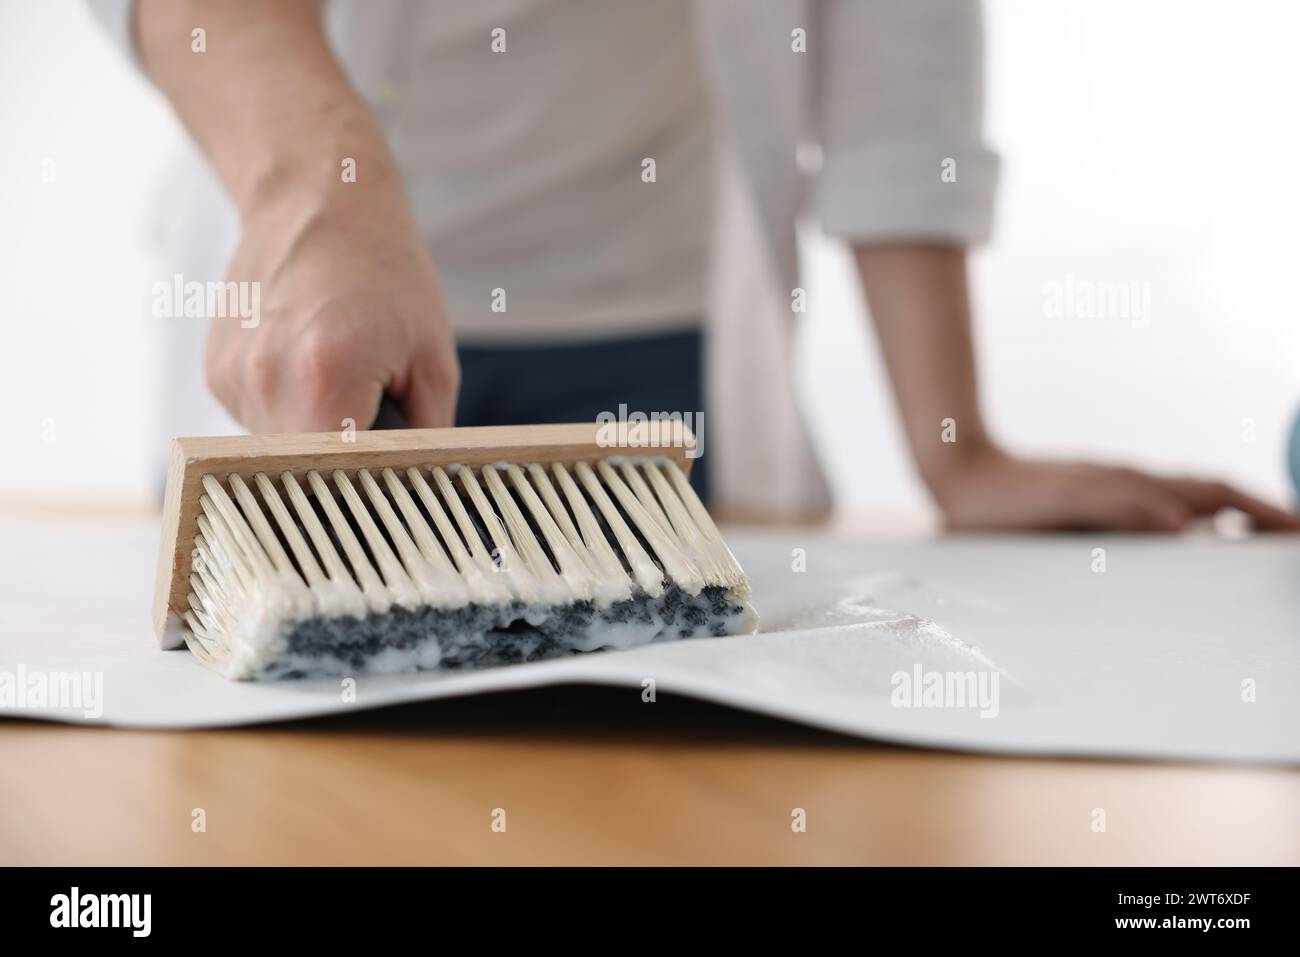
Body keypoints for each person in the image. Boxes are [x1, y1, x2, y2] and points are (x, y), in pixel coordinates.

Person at [89, 0, 1299, 530]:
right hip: (308, 342)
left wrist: (956, 446)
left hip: (664, 346)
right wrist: (312, 186)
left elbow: (896, 46)